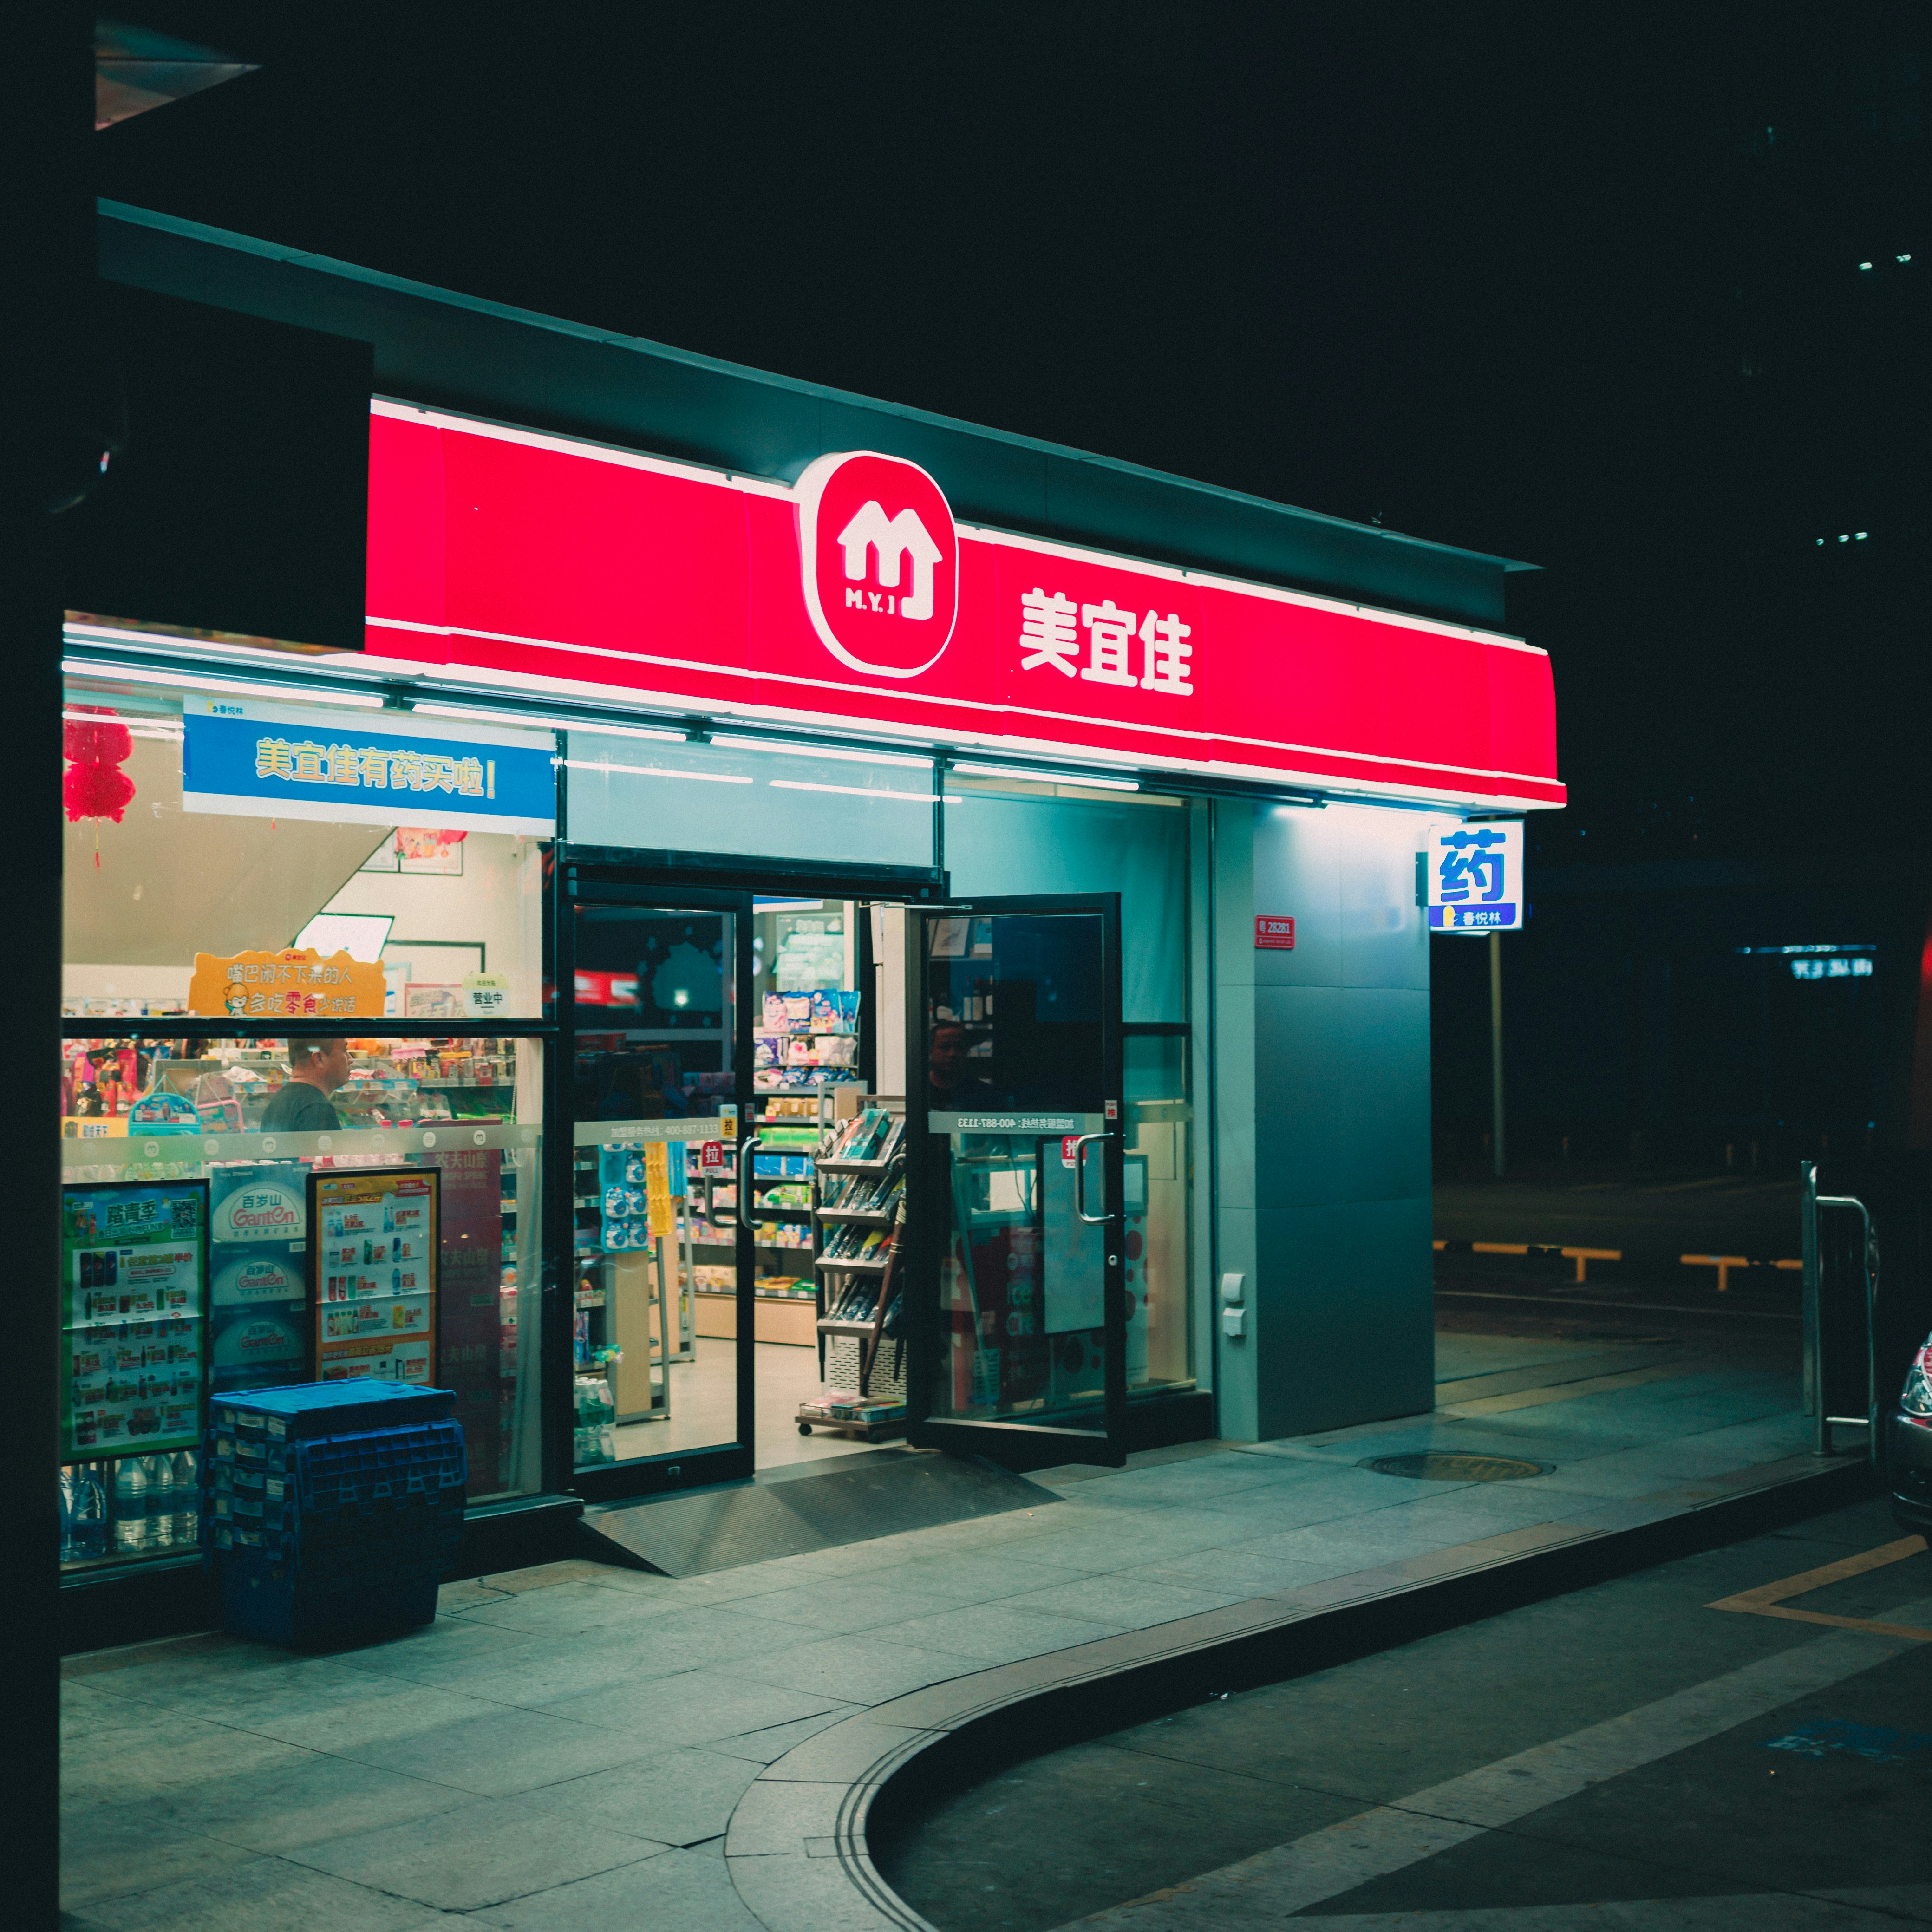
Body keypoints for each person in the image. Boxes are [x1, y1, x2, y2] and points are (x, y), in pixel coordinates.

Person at [261, 1038, 351, 1132]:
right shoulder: (317, 1109)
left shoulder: (277, 1101)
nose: (350, 1059)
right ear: (319, 1059)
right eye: (345, 1051)